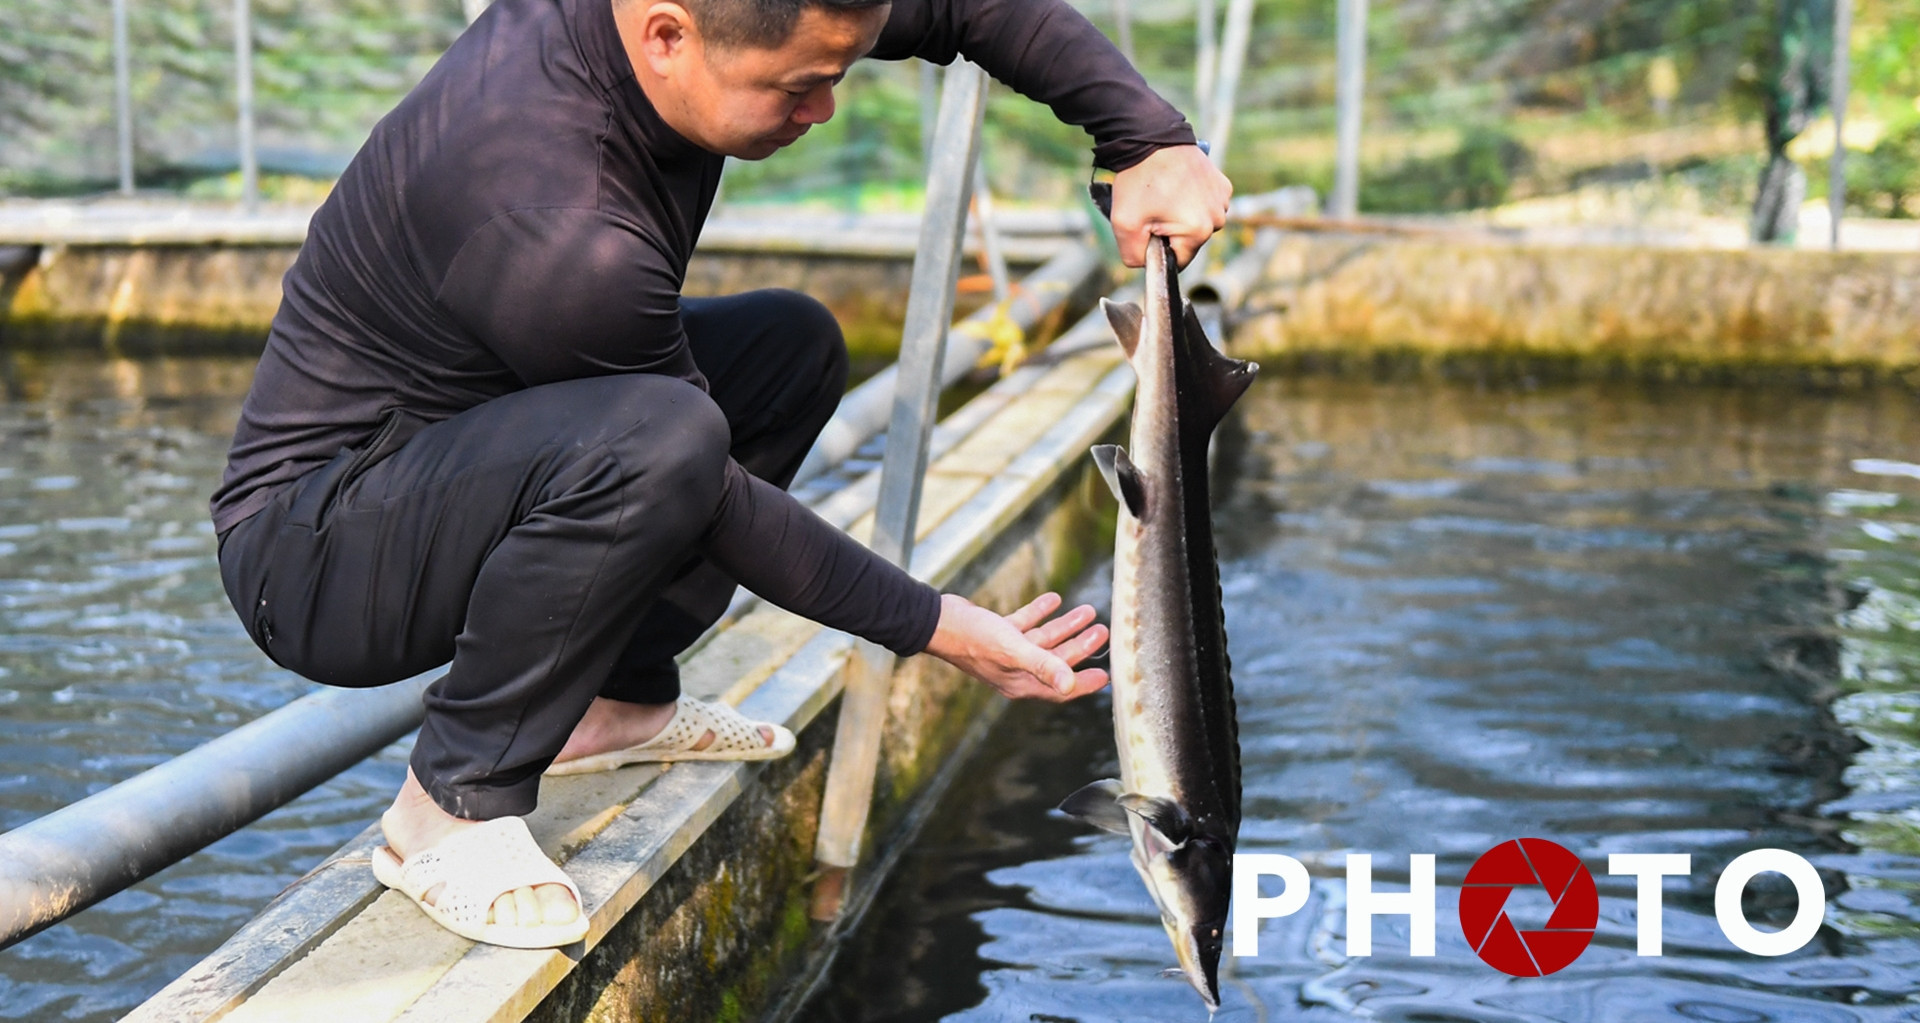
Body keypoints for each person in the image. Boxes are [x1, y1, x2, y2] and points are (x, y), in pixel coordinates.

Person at [211, 0, 1231, 948]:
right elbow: (704, 493)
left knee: (791, 349)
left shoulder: (718, 11)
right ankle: (449, 803)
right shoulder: (557, 217)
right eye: (797, 89)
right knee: (668, 438)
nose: (826, 111)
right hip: (319, 549)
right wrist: (938, 625)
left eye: (836, 76)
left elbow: (966, 6)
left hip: (479, 443)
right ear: (667, 39)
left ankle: (611, 702)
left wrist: (1146, 136)